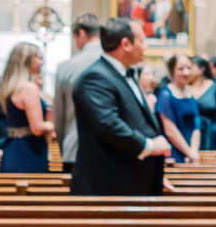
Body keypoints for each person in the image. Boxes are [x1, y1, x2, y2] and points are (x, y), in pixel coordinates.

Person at [69, 18, 169, 196]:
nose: (145, 46)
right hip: (109, 185)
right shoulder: (96, 77)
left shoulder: (123, 73)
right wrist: (149, 146)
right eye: (141, 41)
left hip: (131, 180)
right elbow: (108, 124)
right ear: (126, 44)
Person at [53, 12, 104, 171]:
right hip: (108, 152)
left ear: (81, 34)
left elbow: (59, 115)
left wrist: (63, 145)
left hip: (74, 148)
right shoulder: (113, 63)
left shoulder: (66, 67)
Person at [0, 42, 52, 173]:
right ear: (27, 61)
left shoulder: (12, 87)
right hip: (28, 151)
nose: (42, 62)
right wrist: (58, 124)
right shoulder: (28, 88)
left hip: (14, 148)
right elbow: (37, 128)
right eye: (39, 57)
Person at [154, 53, 201, 163]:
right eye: (181, 69)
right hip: (174, 154)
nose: (186, 72)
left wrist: (194, 151)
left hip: (191, 154)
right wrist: (189, 153)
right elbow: (170, 130)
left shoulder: (190, 94)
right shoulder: (166, 95)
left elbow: (196, 125)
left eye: (189, 68)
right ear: (172, 71)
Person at [189, 55, 216, 158]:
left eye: (191, 67)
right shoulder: (184, 89)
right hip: (190, 132)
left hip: (211, 134)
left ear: (202, 69)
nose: (188, 71)